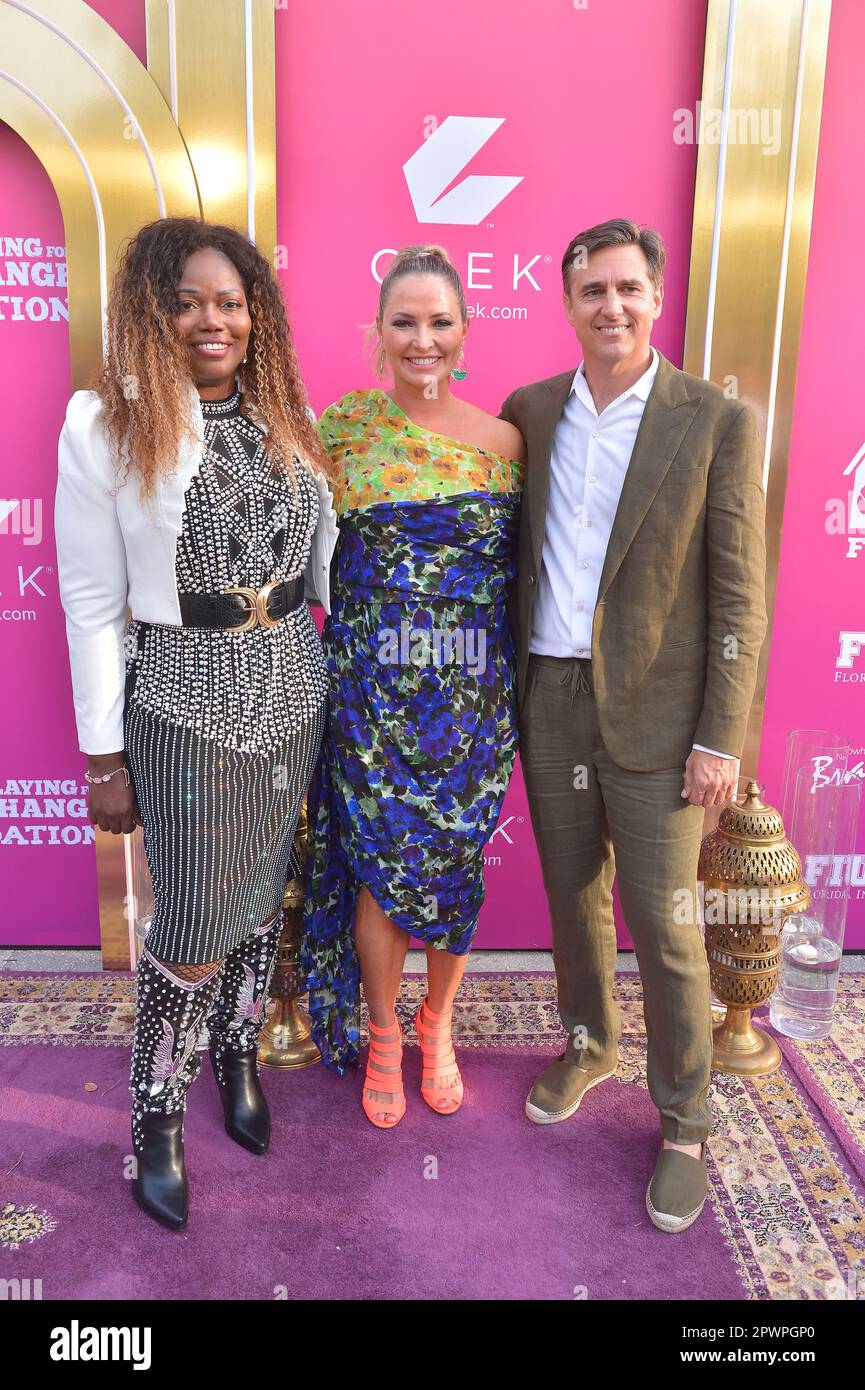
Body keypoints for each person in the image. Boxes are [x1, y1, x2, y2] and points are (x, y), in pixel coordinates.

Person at [54, 217, 338, 1229]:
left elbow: (319, 560)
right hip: (182, 696)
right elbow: (90, 601)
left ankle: (238, 1051)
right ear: (151, 312)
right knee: (189, 923)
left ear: (255, 314)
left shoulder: (286, 413)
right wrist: (101, 757)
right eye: (186, 302)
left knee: (264, 896)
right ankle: (158, 1114)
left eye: (229, 301)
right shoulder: (105, 424)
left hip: (293, 681)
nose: (210, 320)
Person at [500, 218, 767, 1232]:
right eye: (590, 291)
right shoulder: (529, 411)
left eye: (627, 289)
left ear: (656, 298)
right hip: (553, 700)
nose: (609, 307)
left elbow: (740, 595)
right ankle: (586, 1043)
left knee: (665, 921)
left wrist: (720, 738)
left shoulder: (713, 420)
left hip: (664, 722)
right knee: (574, 898)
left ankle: (685, 1117)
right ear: (565, 303)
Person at [301, 245, 525, 1126]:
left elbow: (517, 579)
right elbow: (311, 558)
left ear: (464, 331)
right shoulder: (340, 430)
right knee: (376, 875)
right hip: (369, 699)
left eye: (439, 321)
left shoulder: (507, 442)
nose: (421, 339)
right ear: (378, 333)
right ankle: (386, 1036)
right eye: (404, 321)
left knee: (452, 870)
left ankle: (439, 1025)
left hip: (470, 700)